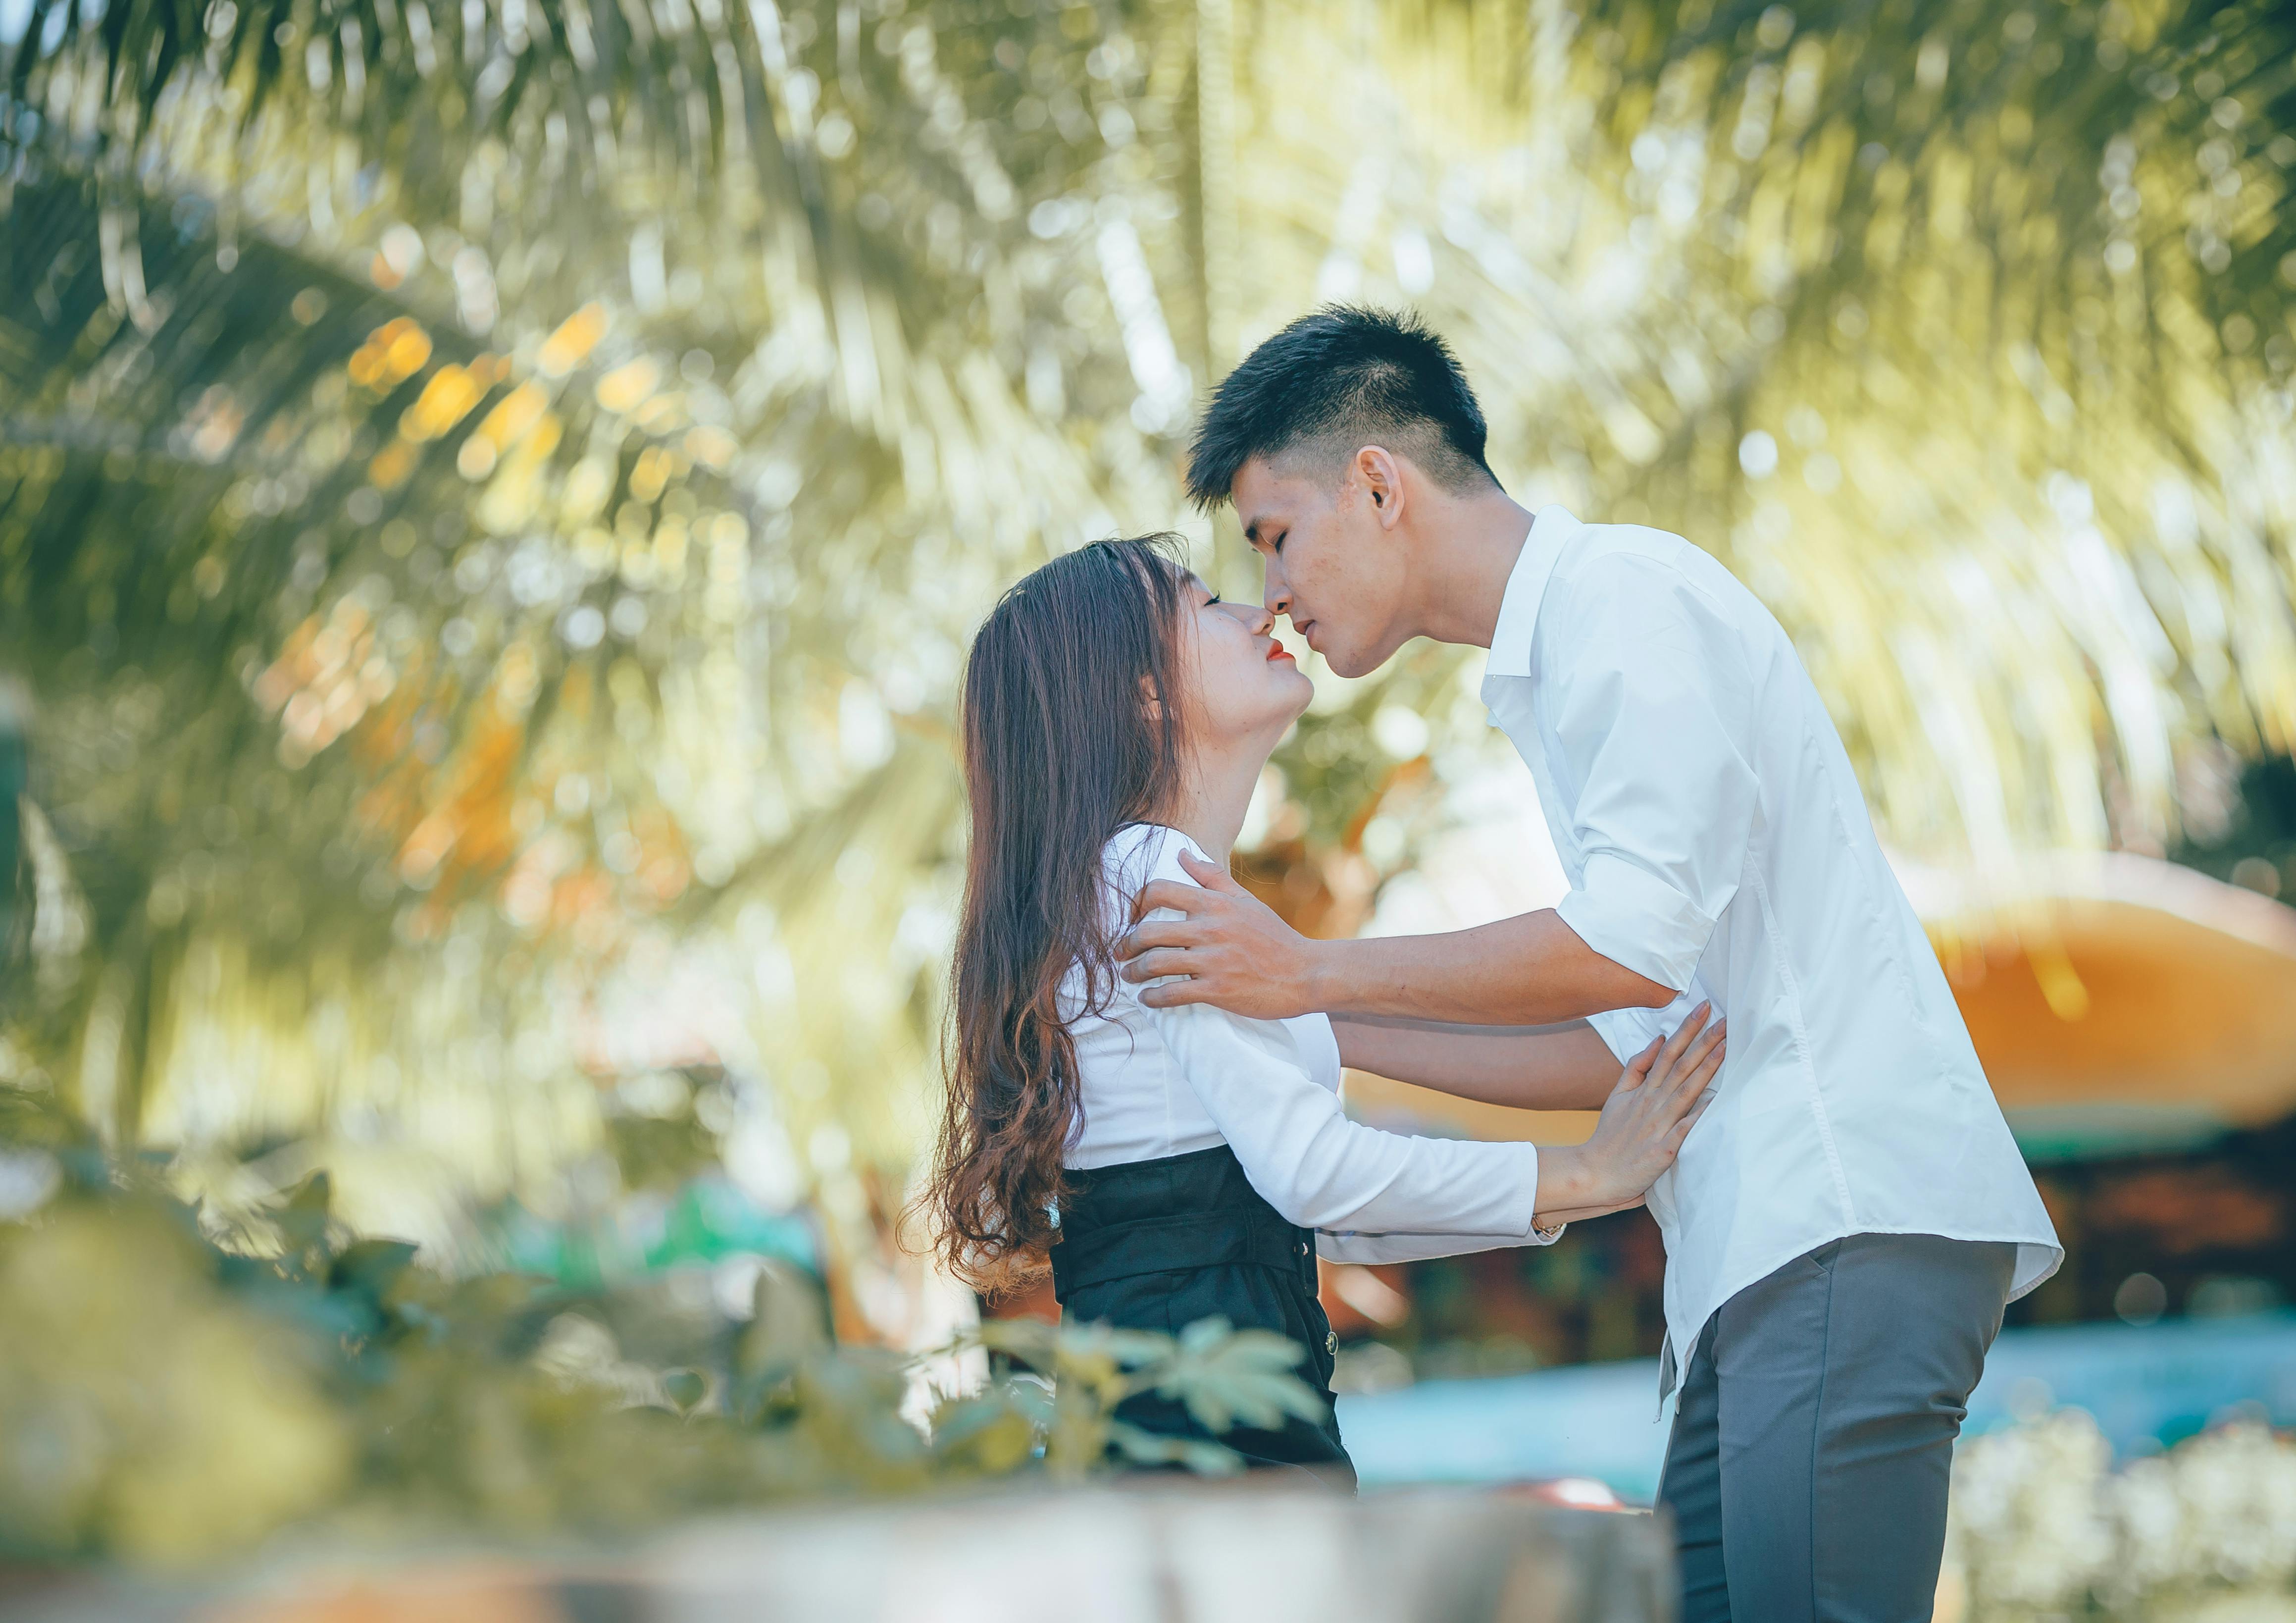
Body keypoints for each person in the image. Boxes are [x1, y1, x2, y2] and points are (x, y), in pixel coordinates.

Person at [1117, 308, 2062, 1617]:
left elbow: (1623, 946)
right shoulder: (1556, 660)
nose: (1269, 590)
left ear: (1377, 483)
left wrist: (1312, 974)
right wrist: (1292, 1011)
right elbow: (1620, 1045)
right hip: (1758, 1242)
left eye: (1273, 534)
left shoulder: (1620, 600)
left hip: (1836, 1210)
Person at [921, 534, 1723, 1488]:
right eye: (1206, 600)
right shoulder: (1151, 877)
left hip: (1192, 1410)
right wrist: (1584, 1170)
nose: (1256, 609)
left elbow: (1317, 1218)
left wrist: (1595, 1186)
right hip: (1213, 1421)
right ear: (1142, 692)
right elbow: (1316, 1179)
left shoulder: (1142, 888)